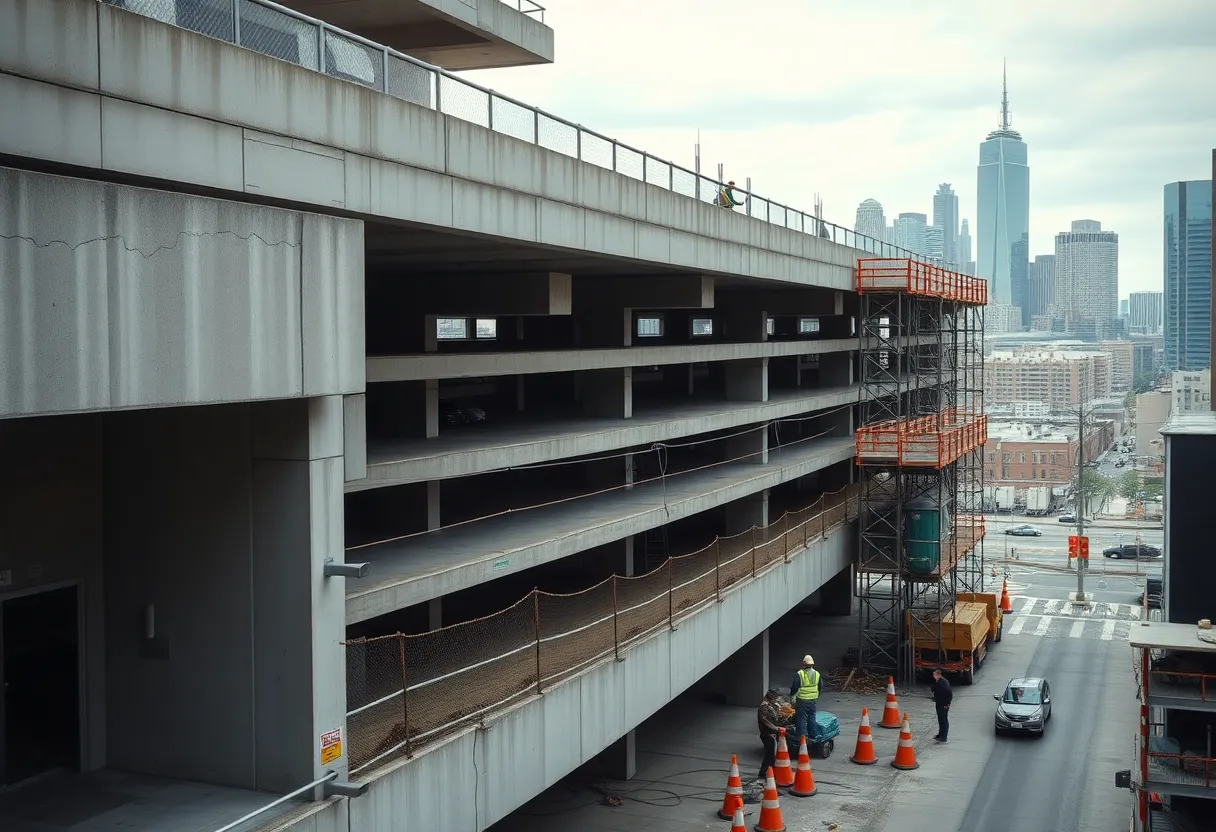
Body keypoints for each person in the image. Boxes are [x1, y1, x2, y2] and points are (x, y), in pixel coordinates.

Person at [789, 654, 821, 747]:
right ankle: (813, 736)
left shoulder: (800, 674)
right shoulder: (817, 674)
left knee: (801, 719)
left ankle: (802, 739)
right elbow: (820, 687)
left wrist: (791, 696)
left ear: (803, 663)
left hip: (802, 700)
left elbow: (795, 687)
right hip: (812, 700)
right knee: (812, 718)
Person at [756, 690, 783, 780]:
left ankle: (770, 771)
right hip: (767, 734)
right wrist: (776, 729)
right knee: (769, 755)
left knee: (771, 754)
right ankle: (763, 772)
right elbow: (765, 721)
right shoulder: (764, 708)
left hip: (769, 734)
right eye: (774, 698)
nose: (775, 700)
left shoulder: (768, 706)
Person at [931, 669, 953, 743]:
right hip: (939, 703)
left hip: (944, 704)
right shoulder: (938, 682)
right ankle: (940, 734)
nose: (934, 676)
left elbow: (949, 694)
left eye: (935, 675)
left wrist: (947, 704)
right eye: (933, 675)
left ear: (939, 675)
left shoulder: (944, 683)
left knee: (944, 720)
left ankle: (944, 736)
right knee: (940, 719)